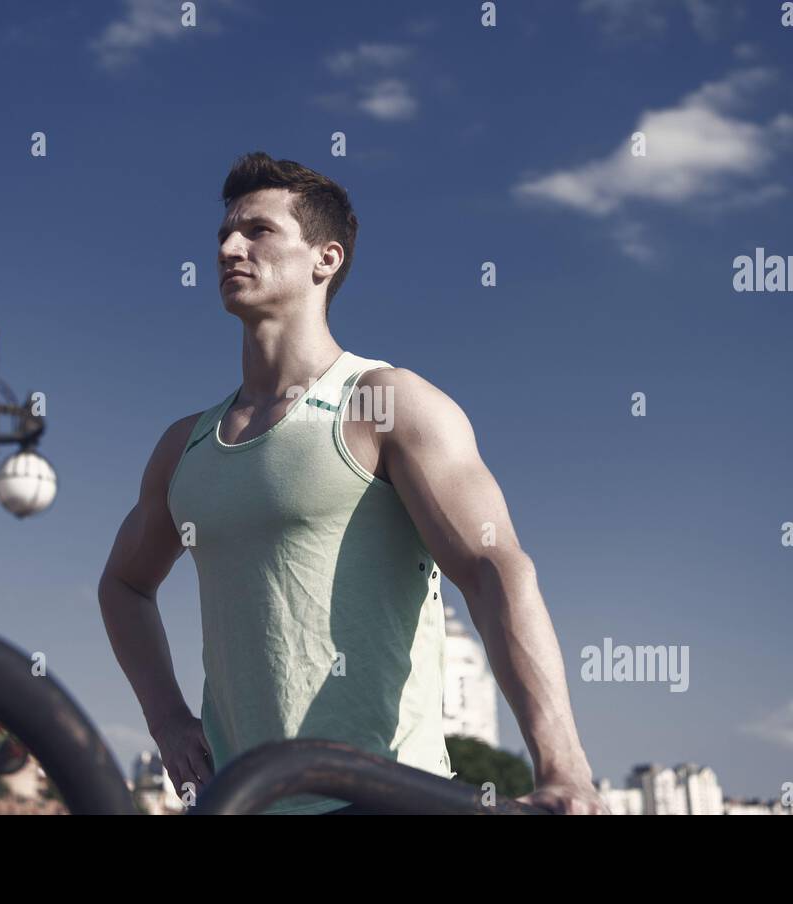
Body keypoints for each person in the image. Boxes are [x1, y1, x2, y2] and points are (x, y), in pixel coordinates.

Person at [98, 151, 606, 815]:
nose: (228, 247)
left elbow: (492, 570)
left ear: (325, 258)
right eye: (224, 233)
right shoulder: (184, 445)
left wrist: (562, 765)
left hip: (383, 797)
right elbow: (124, 584)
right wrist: (166, 718)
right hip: (236, 800)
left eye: (258, 231)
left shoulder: (385, 403)